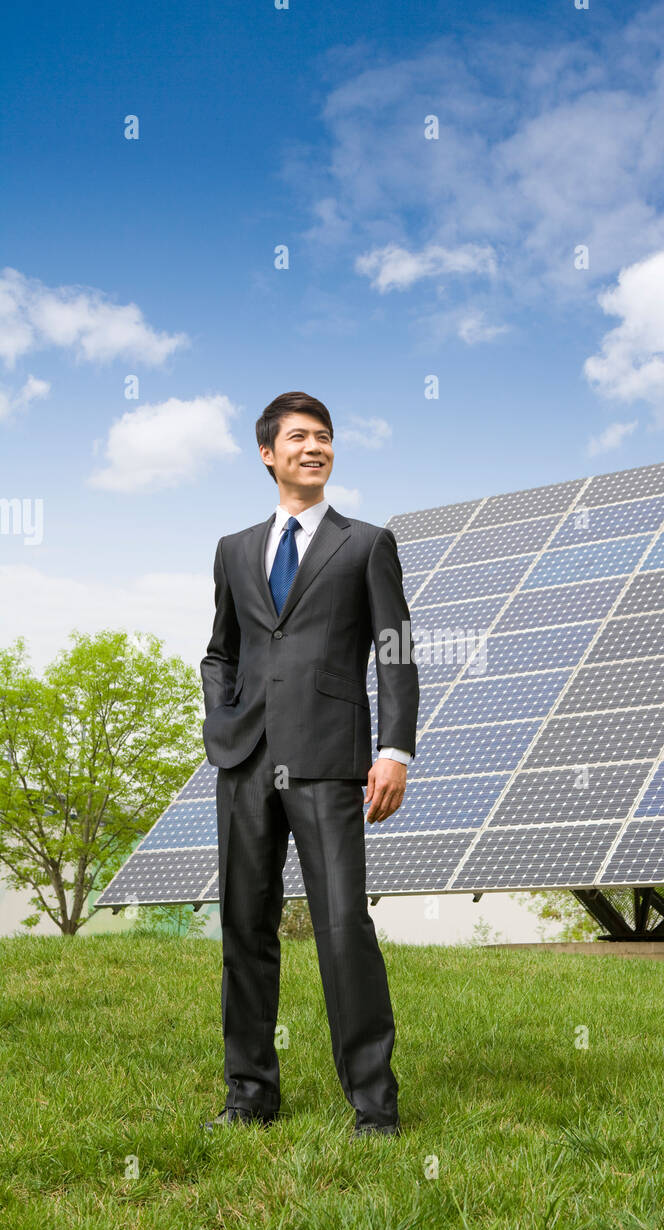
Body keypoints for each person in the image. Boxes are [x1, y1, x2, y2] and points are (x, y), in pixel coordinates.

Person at [199, 391, 419, 1139]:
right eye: (297, 438)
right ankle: (249, 1097)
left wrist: (394, 748)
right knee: (244, 929)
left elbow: (395, 650)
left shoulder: (366, 544)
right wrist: (219, 717)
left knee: (340, 927)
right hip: (245, 762)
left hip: (330, 760)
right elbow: (221, 649)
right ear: (268, 453)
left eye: (324, 437)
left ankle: (374, 1107)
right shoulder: (233, 548)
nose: (314, 447)